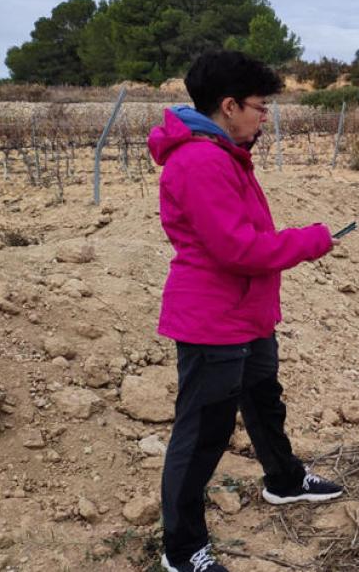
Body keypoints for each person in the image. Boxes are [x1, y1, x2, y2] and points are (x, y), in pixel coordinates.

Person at [149, 50, 344, 572]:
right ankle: (183, 550)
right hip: (213, 320)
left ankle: (283, 480)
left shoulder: (223, 152)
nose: (265, 117)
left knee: (263, 400)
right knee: (203, 434)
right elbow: (239, 248)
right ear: (229, 105)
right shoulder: (200, 162)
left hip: (247, 313)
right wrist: (311, 241)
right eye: (260, 107)